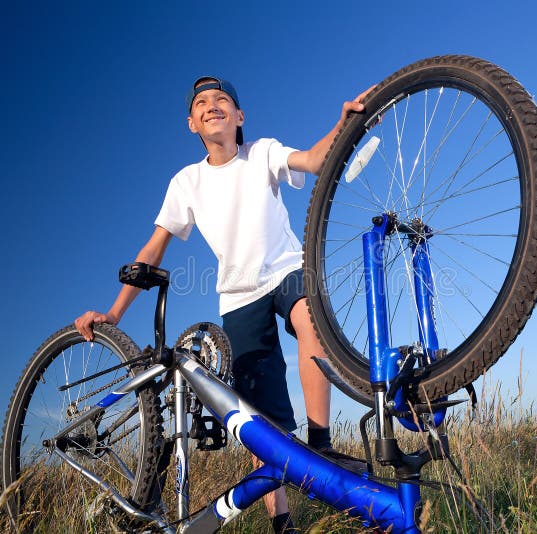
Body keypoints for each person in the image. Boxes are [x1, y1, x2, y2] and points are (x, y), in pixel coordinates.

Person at [75, 76, 369, 533]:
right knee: (260, 423)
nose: (212, 106)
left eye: (222, 101)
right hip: (238, 295)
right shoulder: (187, 182)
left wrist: (343, 123)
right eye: (202, 104)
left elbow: (312, 160)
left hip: (287, 269)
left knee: (310, 315)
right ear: (192, 123)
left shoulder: (262, 153)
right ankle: (282, 524)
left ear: (239, 117)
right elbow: (154, 248)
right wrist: (113, 314)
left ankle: (321, 442)